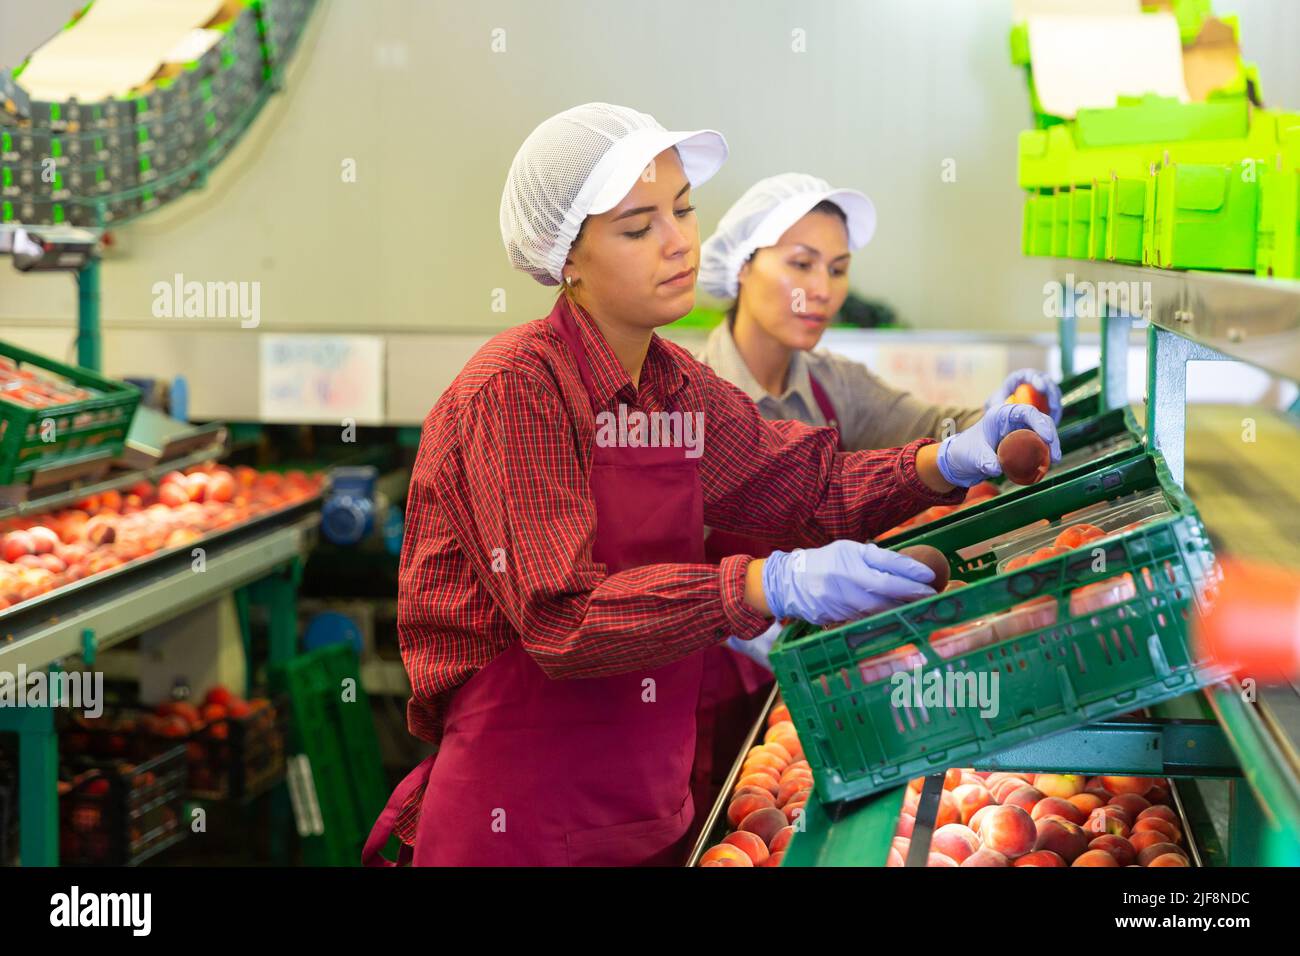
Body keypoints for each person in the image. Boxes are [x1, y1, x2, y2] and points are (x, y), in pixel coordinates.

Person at [362, 104, 1059, 867]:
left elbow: (805, 485)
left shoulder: (672, 386)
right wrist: (766, 584)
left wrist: (947, 460)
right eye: (638, 227)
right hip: (520, 820)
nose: (678, 241)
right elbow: (564, 621)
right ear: (566, 258)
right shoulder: (517, 392)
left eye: (685, 210)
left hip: (648, 808)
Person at [688, 172, 1063, 818]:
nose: (823, 290)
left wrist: (1005, 412)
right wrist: (761, 613)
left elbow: (929, 429)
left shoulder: (836, 385)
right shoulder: (688, 396)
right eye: (801, 263)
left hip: (823, 680)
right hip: (706, 688)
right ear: (744, 265)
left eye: (838, 269)